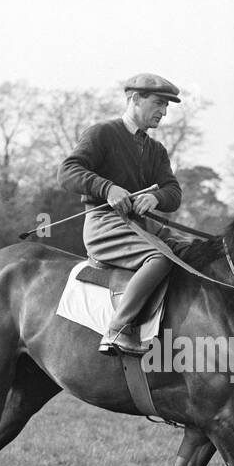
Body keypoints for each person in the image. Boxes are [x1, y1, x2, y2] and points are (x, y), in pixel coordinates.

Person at [58, 73, 183, 355]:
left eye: (166, 107)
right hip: (104, 226)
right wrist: (108, 188)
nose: (163, 112)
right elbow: (67, 172)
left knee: (193, 253)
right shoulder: (102, 133)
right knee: (160, 258)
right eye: (159, 103)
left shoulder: (156, 150)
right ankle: (118, 330)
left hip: (142, 227)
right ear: (135, 99)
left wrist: (155, 197)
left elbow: (173, 192)